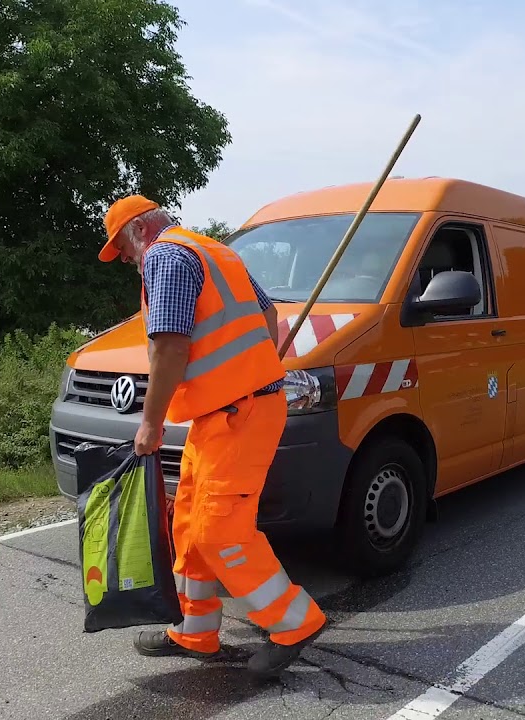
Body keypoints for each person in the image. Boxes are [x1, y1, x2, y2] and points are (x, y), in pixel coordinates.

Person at [97, 194, 327, 676]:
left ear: (139, 232)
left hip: (240, 413)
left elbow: (170, 346)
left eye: (119, 247)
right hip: (222, 415)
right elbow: (268, 319)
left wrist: (151, 423)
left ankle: (294, 621)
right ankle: (194, 631)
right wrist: (252, 366)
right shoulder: (215, 252)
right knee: (189, 525)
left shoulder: (163, 256)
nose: (122, 258)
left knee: (220, 528)